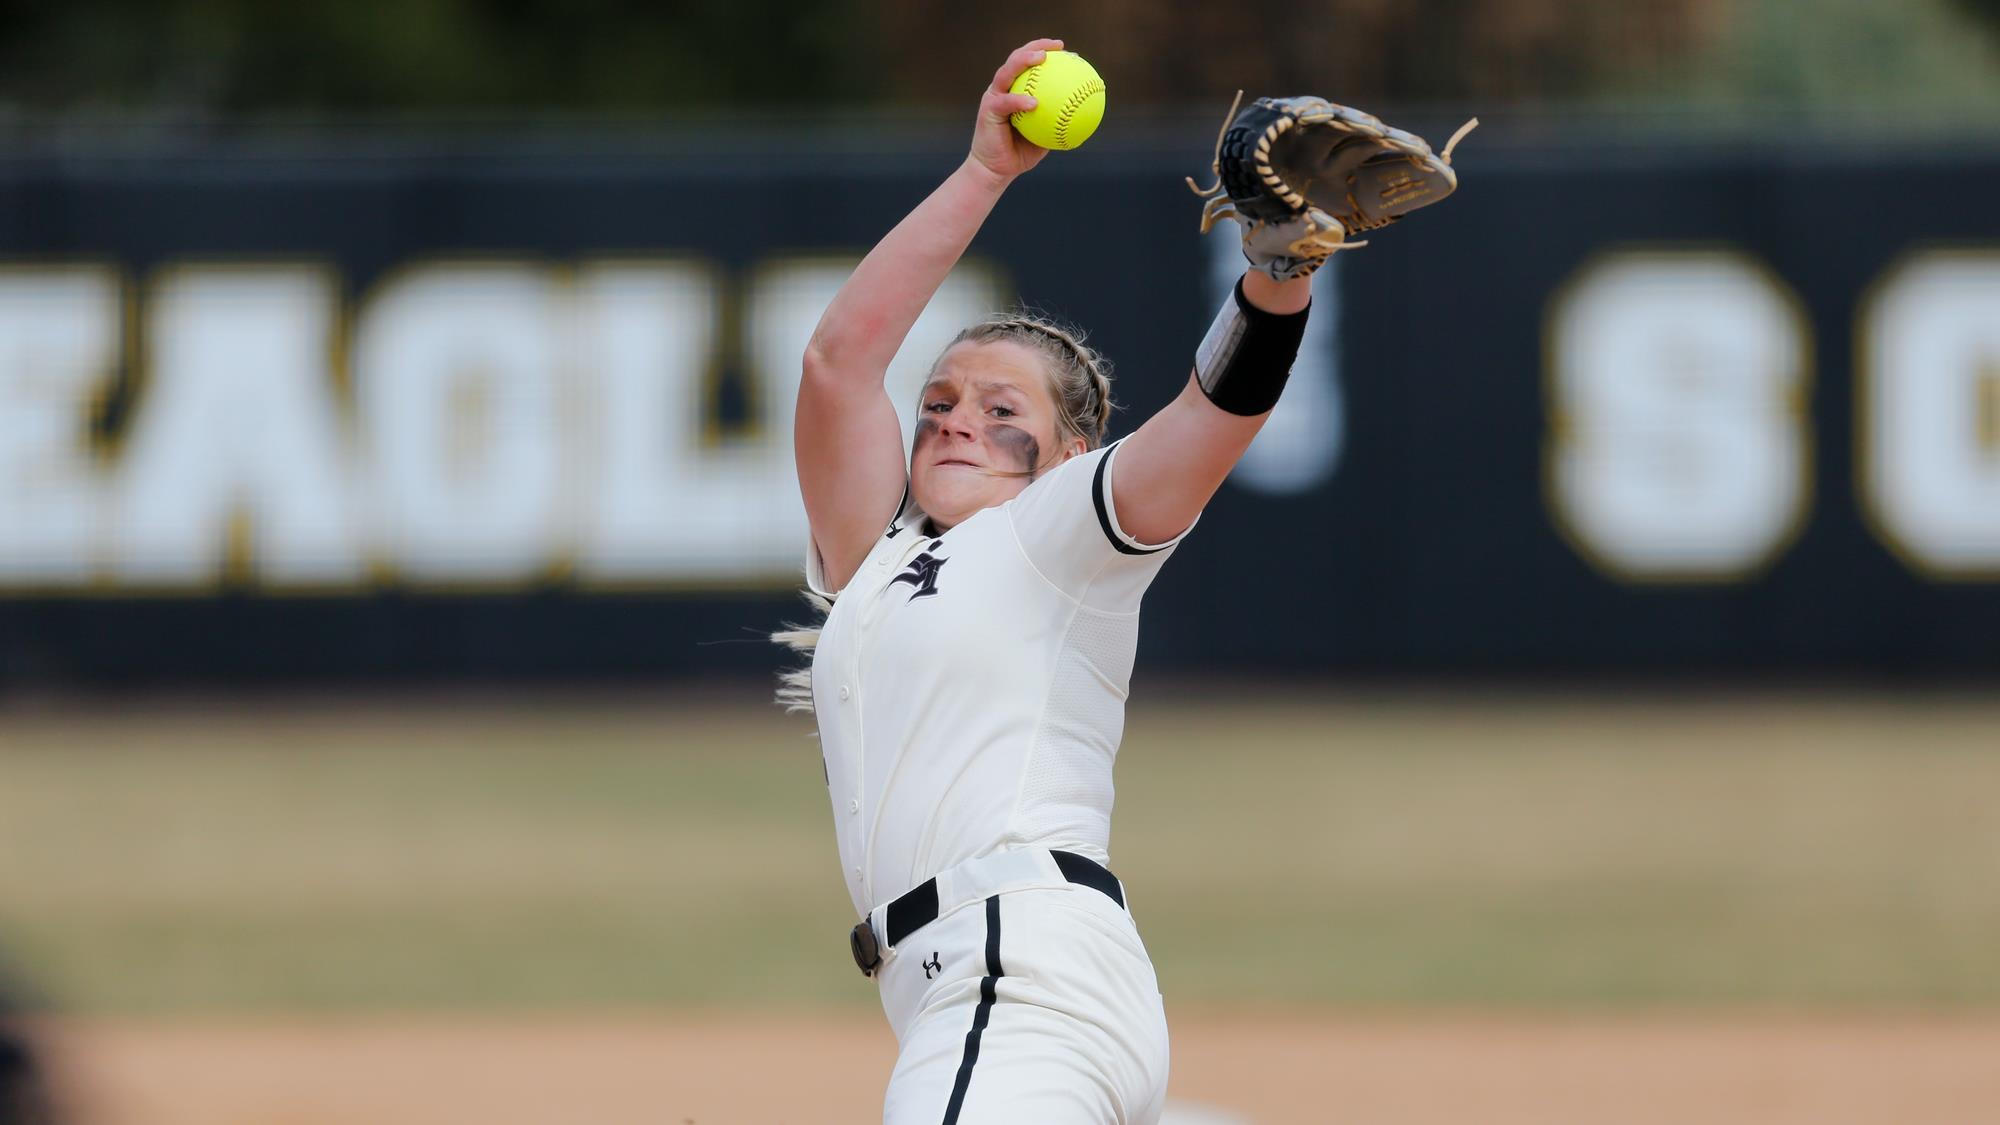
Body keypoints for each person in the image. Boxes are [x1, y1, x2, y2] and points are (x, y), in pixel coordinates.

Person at [779, 37, 1321, 1125]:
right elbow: (840, 363)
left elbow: (1213, 420)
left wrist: (1277, 272)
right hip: (970, 992)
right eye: (938, 401)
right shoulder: (876, 566)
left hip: (1015, 977)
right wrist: (983, 171)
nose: (952, 417)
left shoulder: (1054, 532)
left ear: (1072, 453)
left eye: (999, 409)